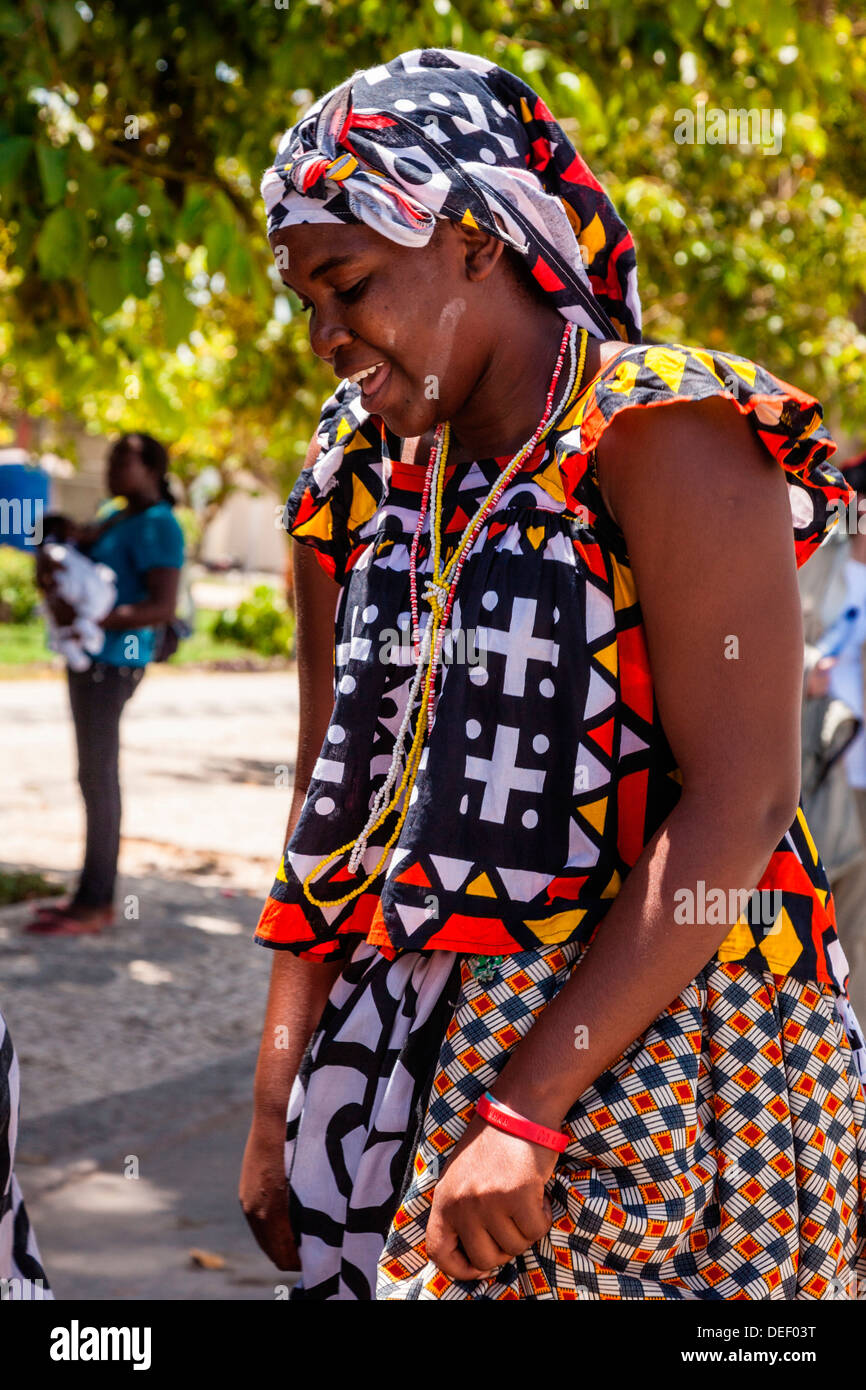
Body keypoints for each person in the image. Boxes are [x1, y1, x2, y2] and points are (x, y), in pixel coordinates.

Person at [240, 48, 866, 1300]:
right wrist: (275, 1094)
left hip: (664, 1051)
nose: (324, 336)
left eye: (349, 284)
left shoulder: (660, 432)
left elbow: (741, 800)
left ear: (476, 240)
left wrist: (525, 1108)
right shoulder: (353, 475)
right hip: (394, 1043)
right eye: (304, 300)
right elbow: (329, 797)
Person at [26, 433, 185, 937]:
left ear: (153, 468)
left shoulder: (161, 524)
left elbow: (162, 608)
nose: (111, 465)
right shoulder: (117, 514)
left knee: (98, 776)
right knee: (91, 774)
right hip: (90, 657)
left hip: (114, 662)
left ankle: (96, 903)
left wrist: (93, 617)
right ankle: (87, 897)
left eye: (123, 459)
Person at [799, 452, 866, 1021]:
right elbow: (780, 636)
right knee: (829, 911)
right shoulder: (822, 559)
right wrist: (808, 668)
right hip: (826, 765)